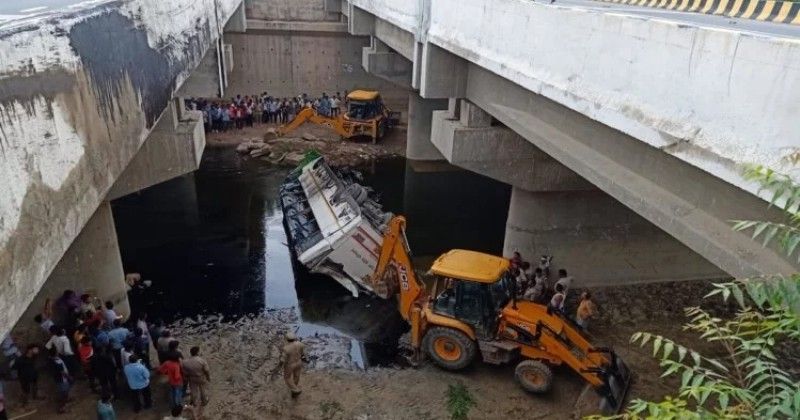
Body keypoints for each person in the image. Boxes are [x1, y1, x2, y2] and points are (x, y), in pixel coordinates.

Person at [280, 331, 306, 398]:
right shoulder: (300, 344)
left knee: (287, 378)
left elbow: (282, 360)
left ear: (286, 339)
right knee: (296, 376)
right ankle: (294, 390)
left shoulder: (286, 348)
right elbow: (303, 354)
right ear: (294, 338)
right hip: (299, 362)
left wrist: (279, 366)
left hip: (290, 364)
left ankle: (295, 389)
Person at [49, 347, 72, 414]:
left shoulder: (55, 359)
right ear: (56, 353)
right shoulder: (56, 362)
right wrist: (69, 377)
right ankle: (61, 408)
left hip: (60, 379)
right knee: (64, 394)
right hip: (62, 380)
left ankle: (64, 402)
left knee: (64, 392)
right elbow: (62, 372)